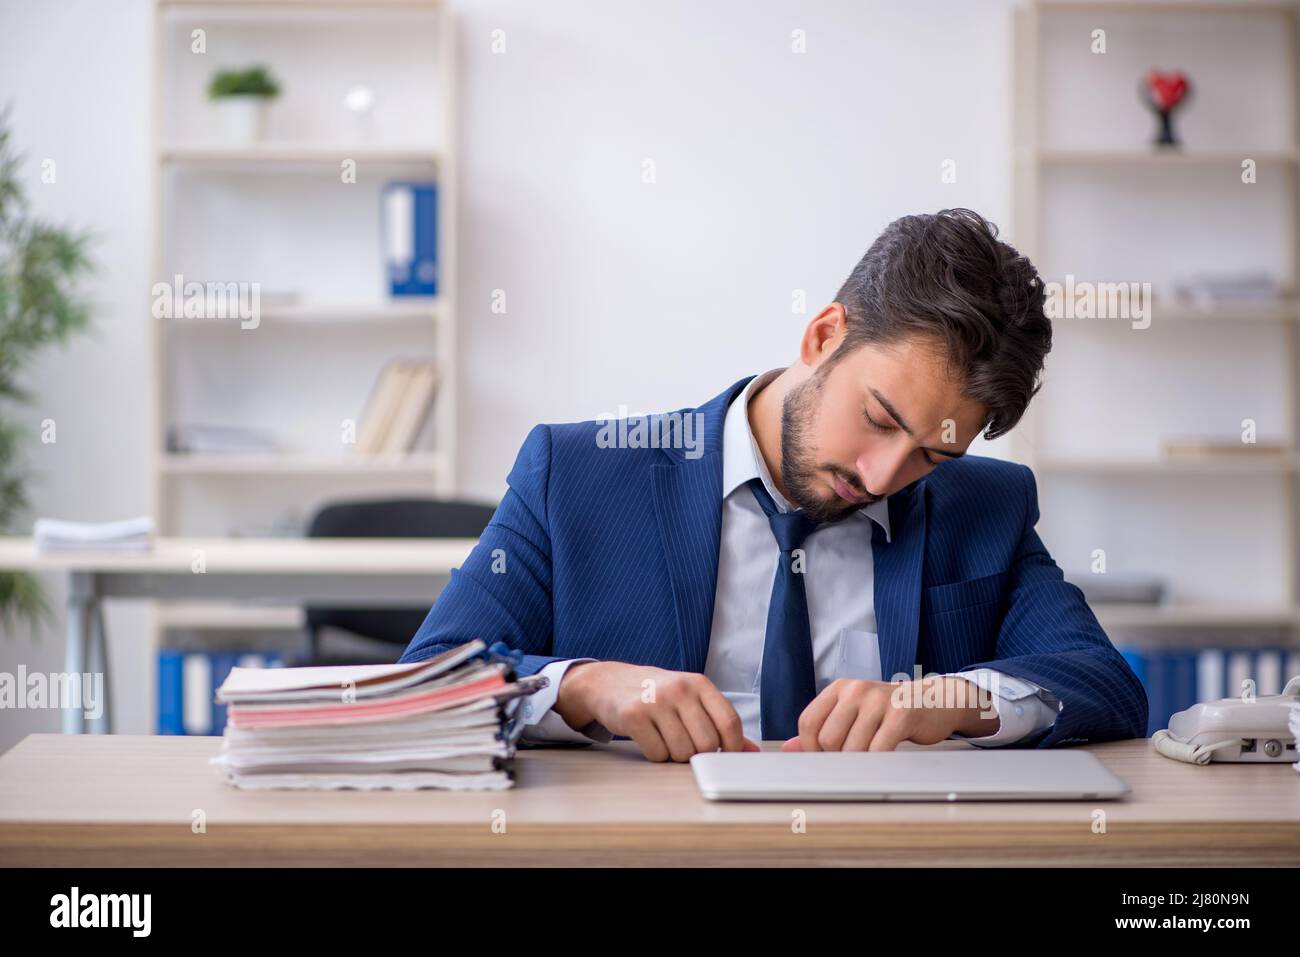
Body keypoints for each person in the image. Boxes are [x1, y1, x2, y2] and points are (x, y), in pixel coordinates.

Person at [400, 208, 1148, 762]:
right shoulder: (576, 475)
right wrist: (585, 686)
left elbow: (1104, 685)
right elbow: (428, 677)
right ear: (823, 336)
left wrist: (949, 698)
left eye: (931, 454)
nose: (882, 477)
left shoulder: (986, 506)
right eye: (878, 419)